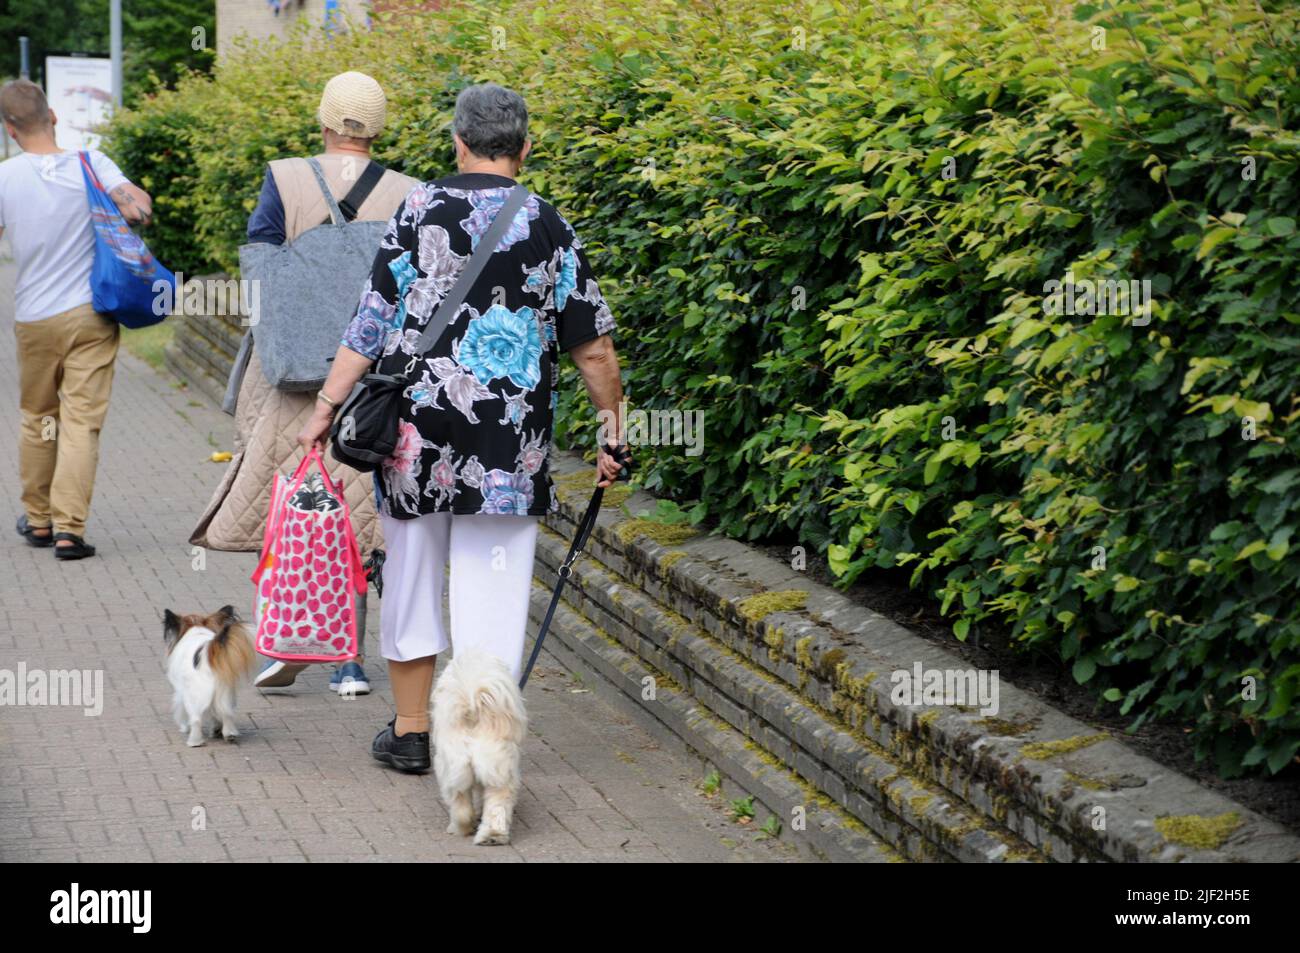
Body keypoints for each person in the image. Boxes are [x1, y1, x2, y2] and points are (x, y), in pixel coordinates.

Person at [298, 82, 628, 773]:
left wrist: (326, 406)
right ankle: (479, 745)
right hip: (509, 446)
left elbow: (371, 319)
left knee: (413, 574)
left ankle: (413, 731)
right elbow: (592, 346)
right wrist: (612, 430)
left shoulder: (418, 208)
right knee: (494, 589)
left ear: (457, 141)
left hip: (413, 437)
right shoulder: (548, 223)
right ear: (526, 148)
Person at [191, 72, 419, 696]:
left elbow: (260, 259)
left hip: (289, 375)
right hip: (370, 382)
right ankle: (350, 660)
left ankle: (287, 636)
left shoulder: (285, 176)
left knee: (286, 504)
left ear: (323, 120)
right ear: (378, 128)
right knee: (361, 515)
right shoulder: (410, 192)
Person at [1, 79, 154, 561]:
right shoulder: (91, 162)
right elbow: (140, 206)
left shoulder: (5, 178)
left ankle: (39, 519)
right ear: (54, 117)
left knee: (39, 419)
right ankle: (70, 530)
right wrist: (127, 208)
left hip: (34, 318)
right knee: (80, 424)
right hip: (91, 315)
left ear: (9, 129)